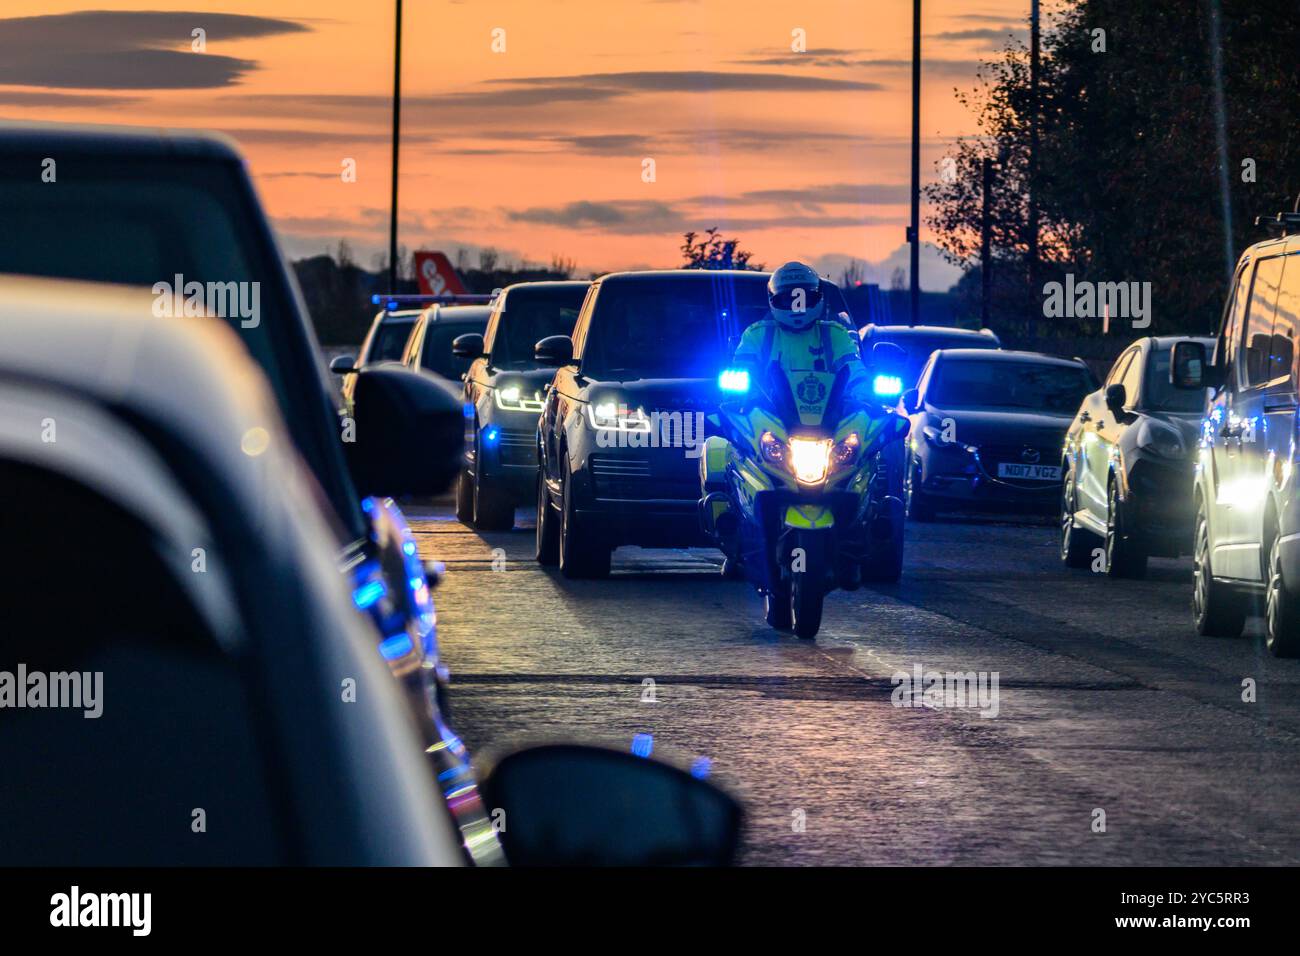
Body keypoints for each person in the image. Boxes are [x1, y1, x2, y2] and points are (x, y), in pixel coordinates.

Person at [732, 261, 875, 404]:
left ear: (818, 297)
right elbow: (743, 371)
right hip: (767, 417)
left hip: (831, 417)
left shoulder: (835, 334)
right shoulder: (757, 334)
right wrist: (749, 401)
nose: (796, 303)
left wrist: (864, 396)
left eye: (805, 297)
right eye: (787, 299)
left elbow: (855, 370)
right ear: (773, 298)